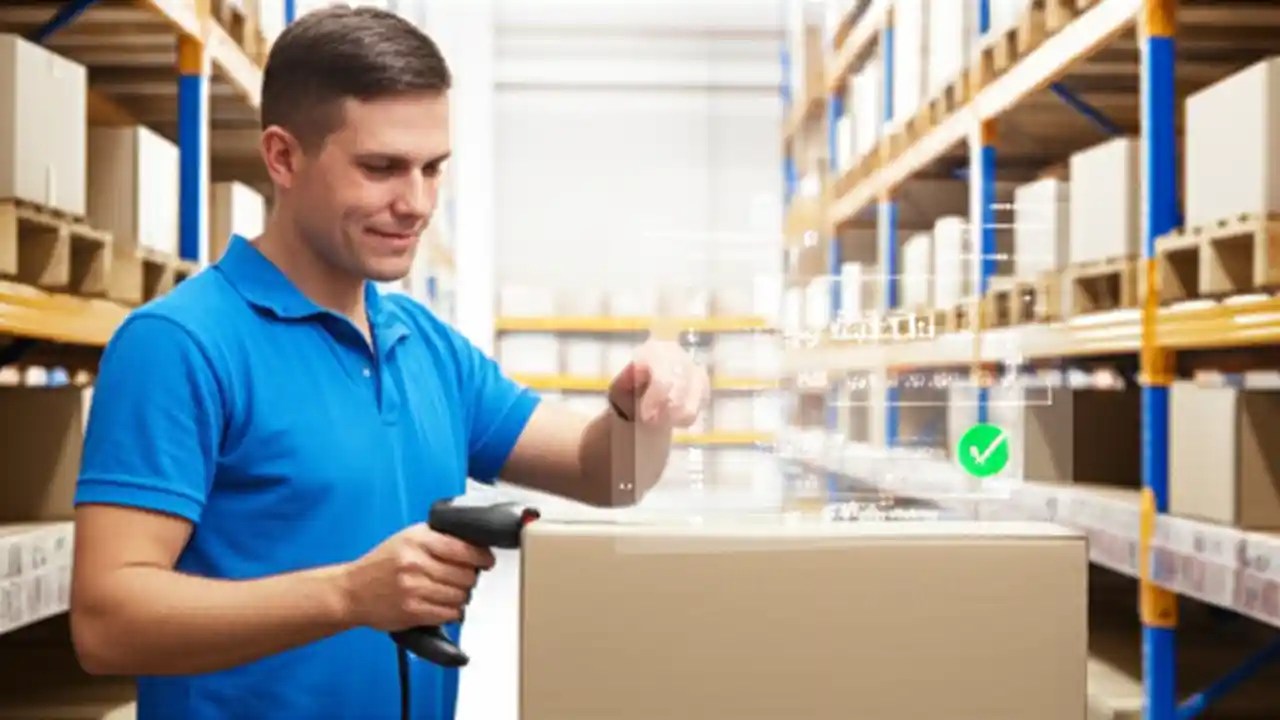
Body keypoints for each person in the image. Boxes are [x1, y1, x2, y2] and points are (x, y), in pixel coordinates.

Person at [68, 6, 709, 720]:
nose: (417, 203)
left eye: (433, 169)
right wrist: (348, 596)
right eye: (381, 169)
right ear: (283, 157)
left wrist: (642, 409)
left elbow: (606, 474)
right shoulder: (180, 344)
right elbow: (107, 624)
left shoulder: (423, 344)